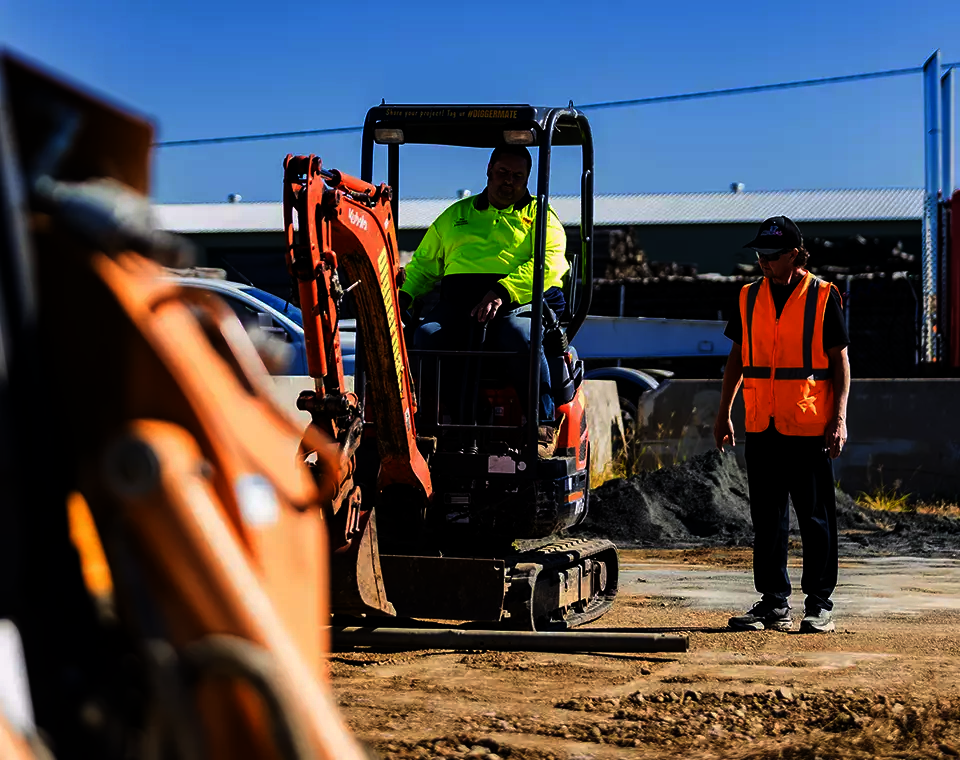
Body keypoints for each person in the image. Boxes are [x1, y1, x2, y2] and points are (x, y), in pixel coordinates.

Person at [713, 216, 850, 634]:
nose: (763, 263)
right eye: (760, 255)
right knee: (768, 520)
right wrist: (724, 412)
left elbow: (841, 363)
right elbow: (738, 358)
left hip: (808, 425)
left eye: (771, 256)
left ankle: (819, 603)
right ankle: (774, 603)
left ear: (794, 254)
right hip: (762, 423)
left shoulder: (823, 296)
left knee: (815, 518)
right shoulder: (747, 296)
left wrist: (839, 419)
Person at [398, 145, 569, 451]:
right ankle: (456, 417)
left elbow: (550, 263)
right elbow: (424, 265)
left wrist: (502, 292)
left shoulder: (542, 218)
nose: (509, 180)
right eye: (503, 172)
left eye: (518, 175)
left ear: (528, 179)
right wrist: (403, 296)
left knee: (520, 336)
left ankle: (542, 422)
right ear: (489, 170)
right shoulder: (456, 216)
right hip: (458, 305)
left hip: (516, 305)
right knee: (425, 336)